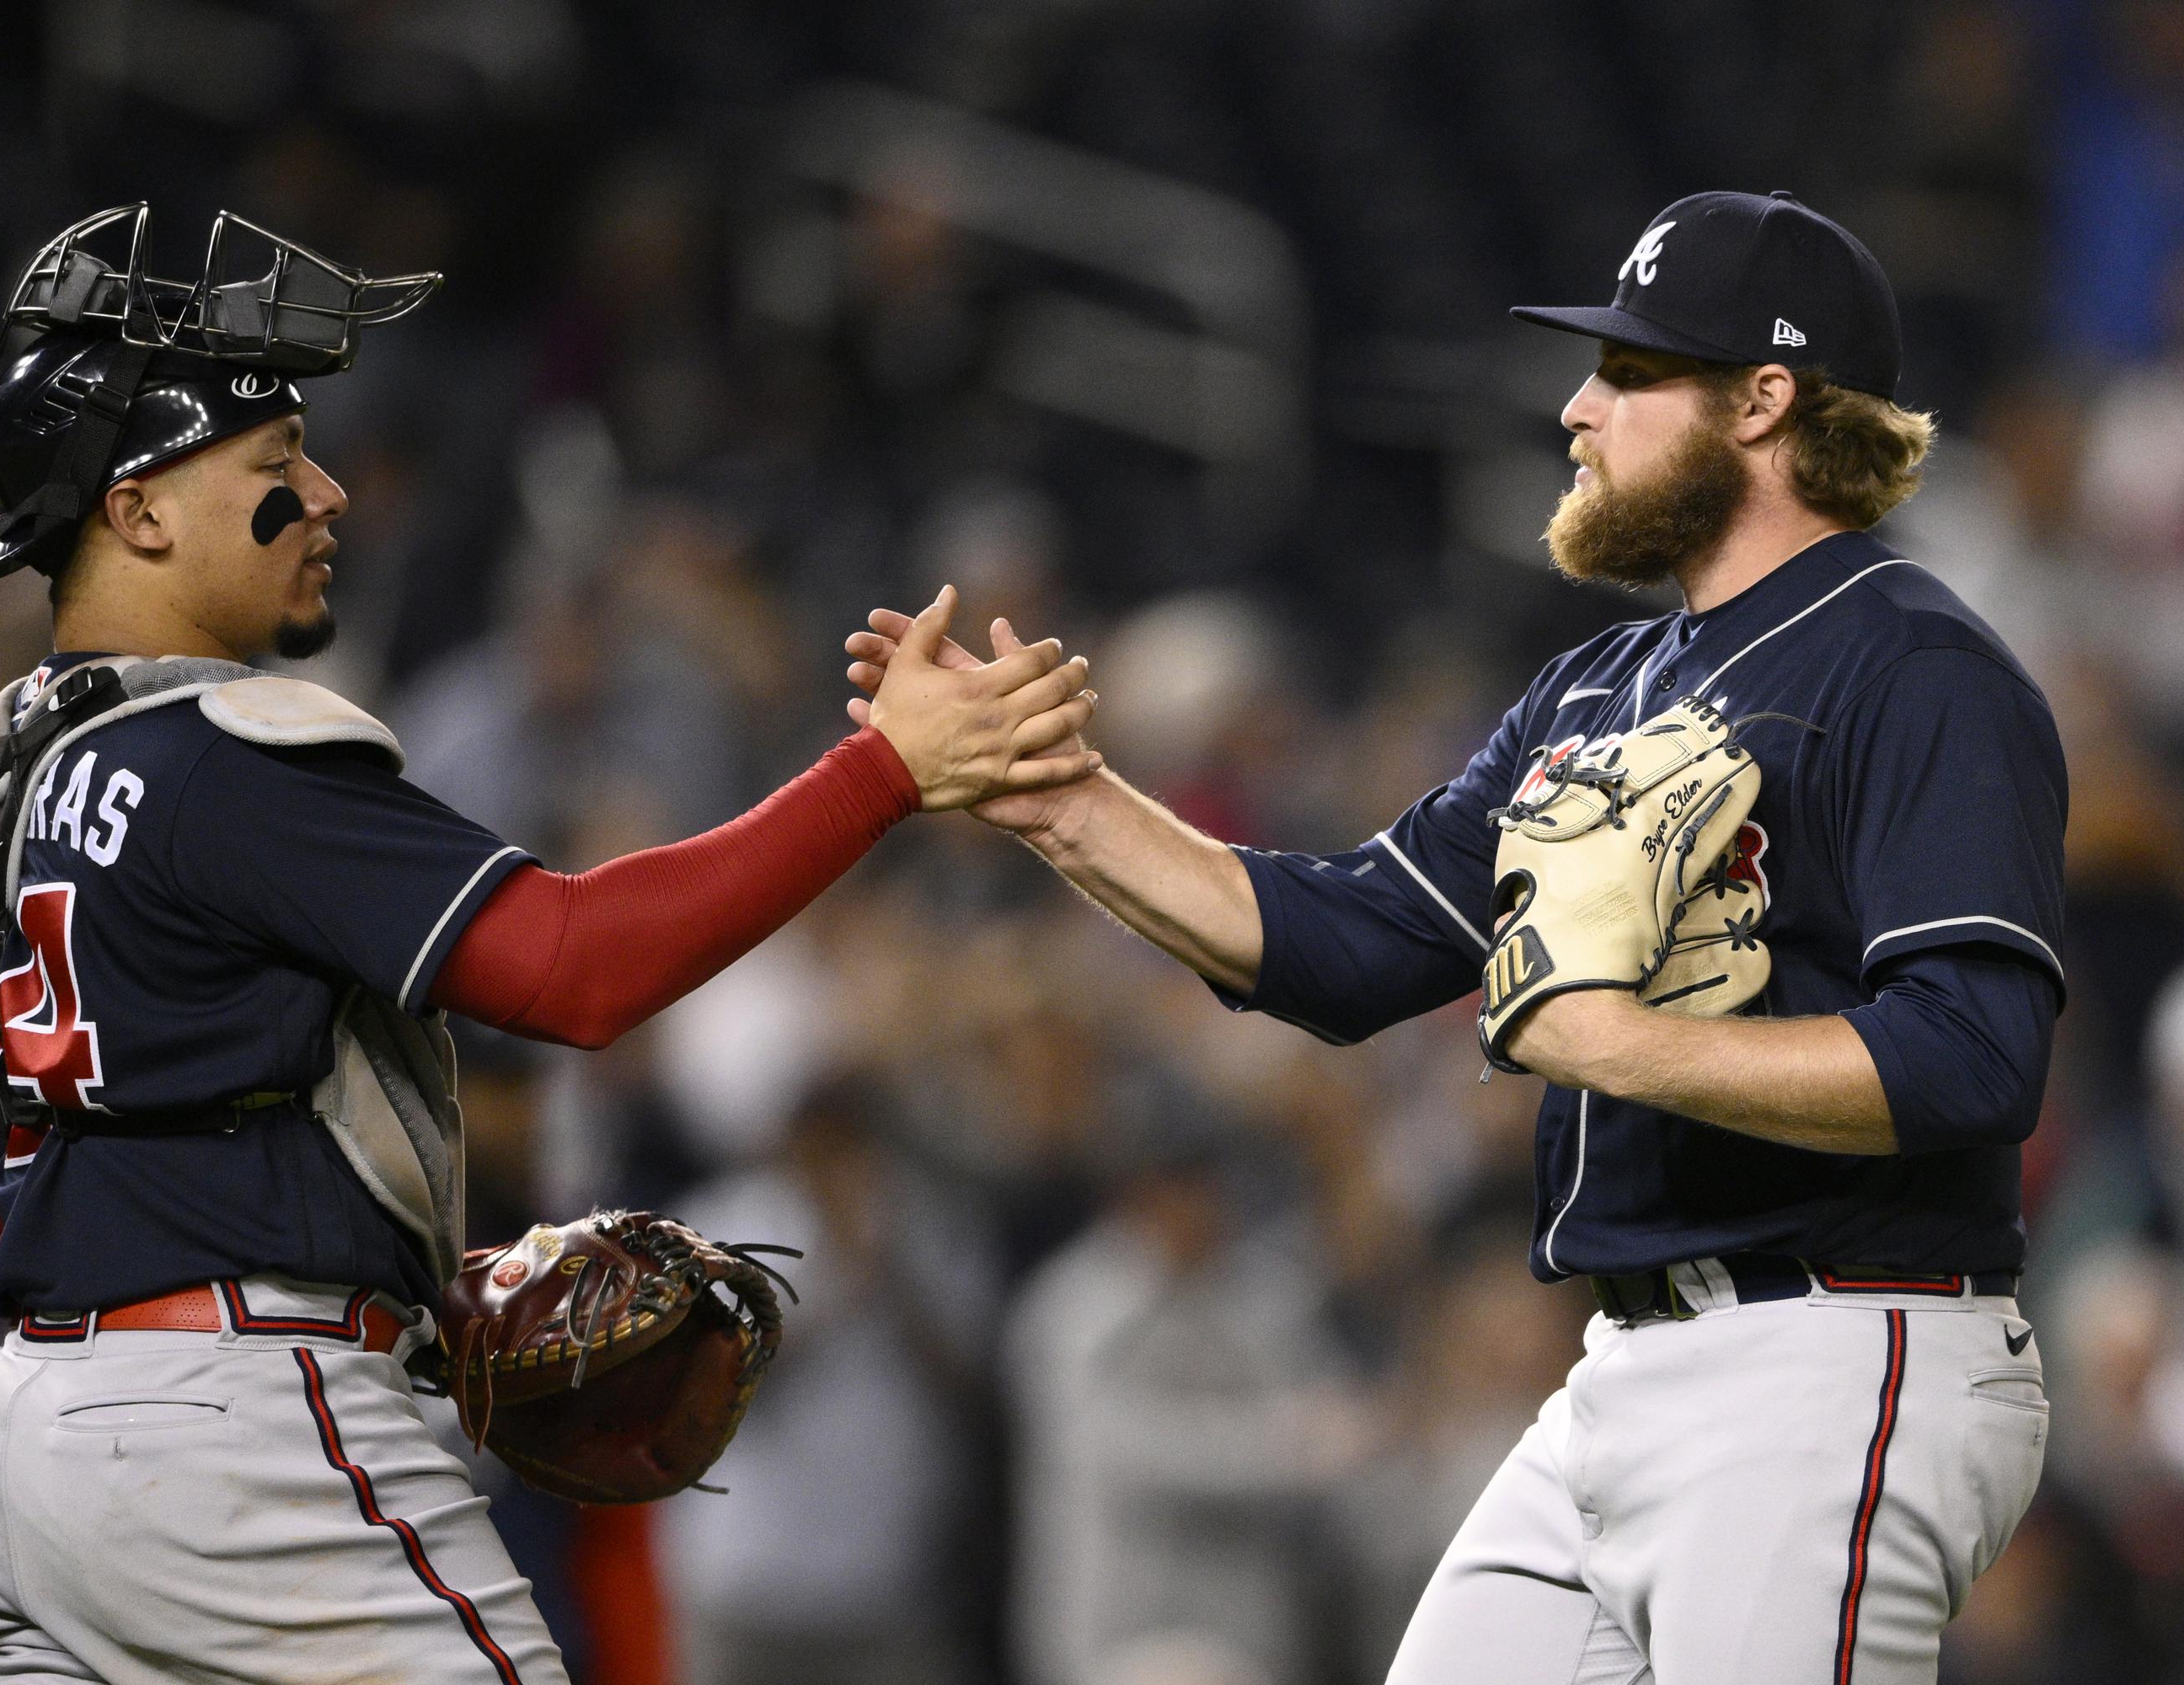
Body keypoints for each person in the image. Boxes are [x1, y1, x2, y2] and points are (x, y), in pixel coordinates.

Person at [850, 190, 2066, 1683]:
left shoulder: (1918, 666)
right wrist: (1058, 799)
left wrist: (1613, 1041)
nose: (1577, 407)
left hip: (1839, 1346)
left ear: (1765, 400)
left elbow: (1976, 1058)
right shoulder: (1592, 689)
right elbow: (1349, 947)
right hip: (1626, 1366)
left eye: (1629, 375)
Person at [0, 205, 1096, 1684]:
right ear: (138, 512)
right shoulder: (220, 756)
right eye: (274, 467)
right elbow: (575, 969)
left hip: (10, 1461)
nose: (327, 494)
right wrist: (887, 772)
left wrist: (347, 1257)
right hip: (228, 1441)